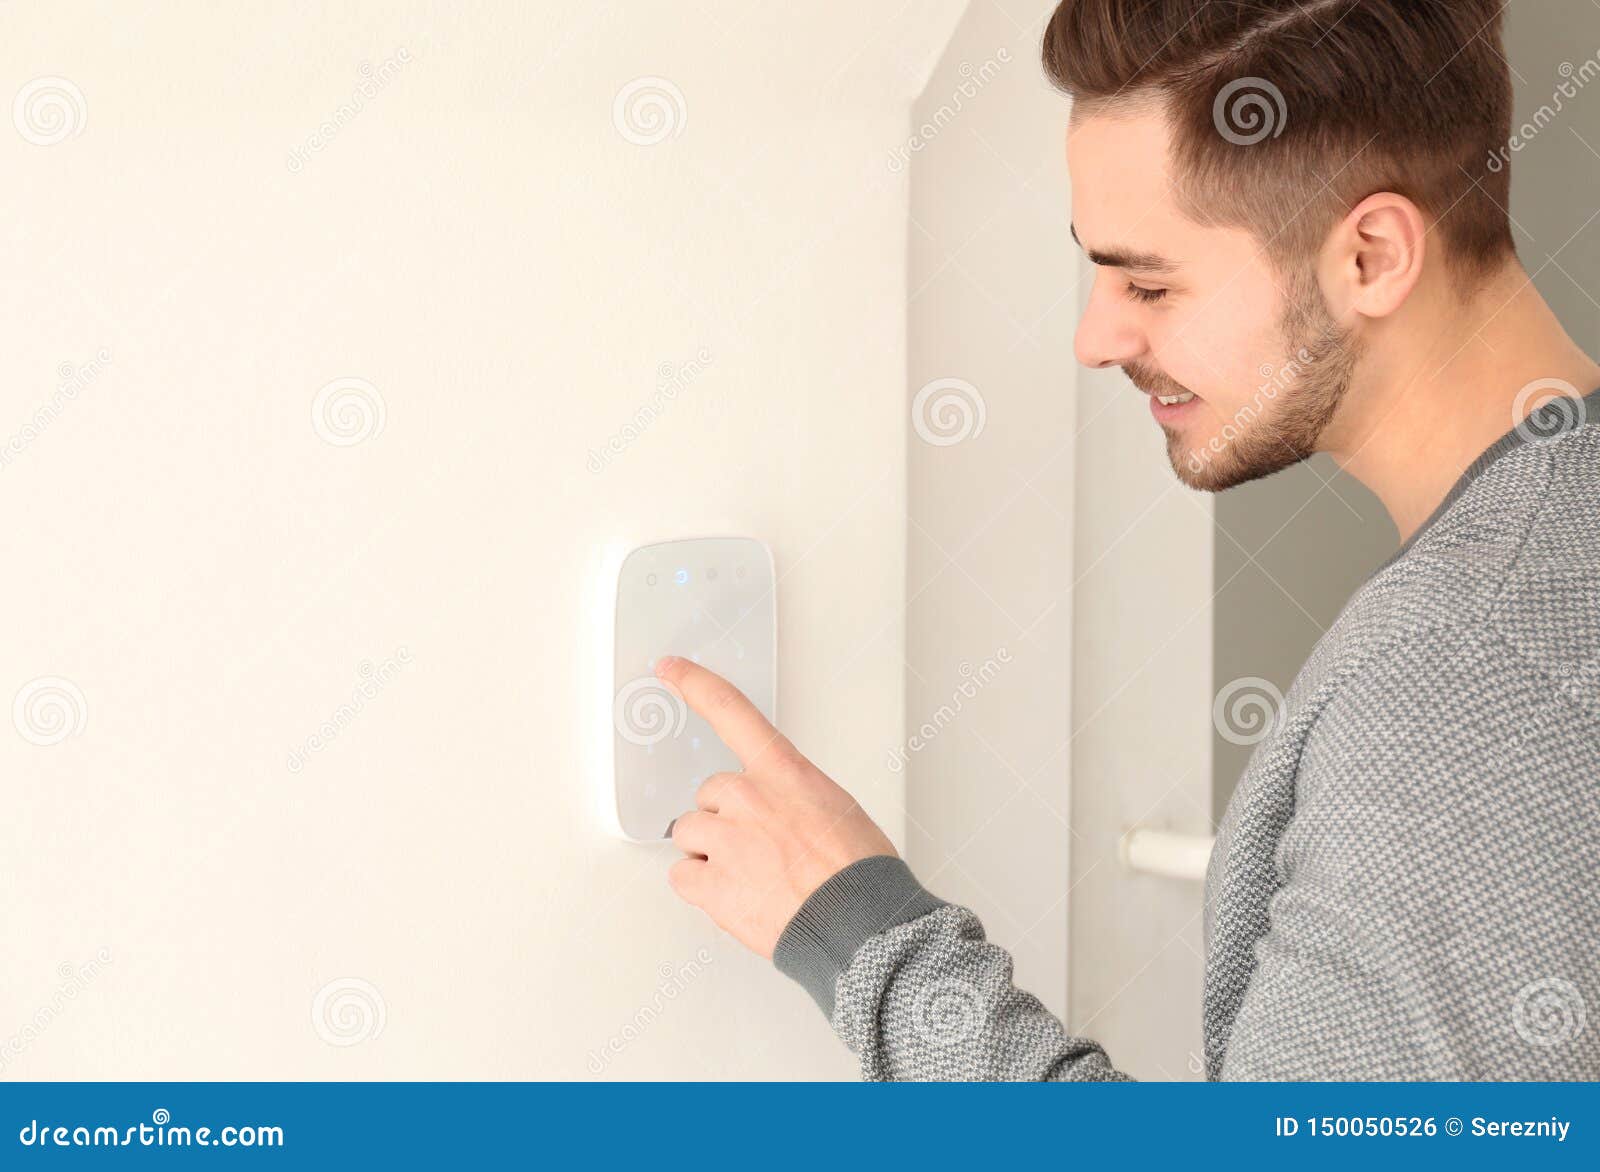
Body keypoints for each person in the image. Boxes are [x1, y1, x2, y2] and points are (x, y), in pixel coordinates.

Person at [658, 0, 1600, 1080]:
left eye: (1148, 282)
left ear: (1373, 255)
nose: (1096, 336)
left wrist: (861, 930)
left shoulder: (1463, 672)